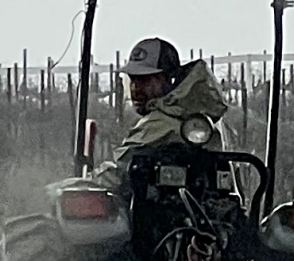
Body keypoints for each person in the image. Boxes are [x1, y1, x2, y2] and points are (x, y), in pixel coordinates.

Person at [92, 37, 228, 188]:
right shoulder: (202, 114)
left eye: (145, 80)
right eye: (133, 80)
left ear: (171, 79)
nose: (135, 89)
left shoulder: (163, 121)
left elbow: (119, 173)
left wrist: (102, 174)